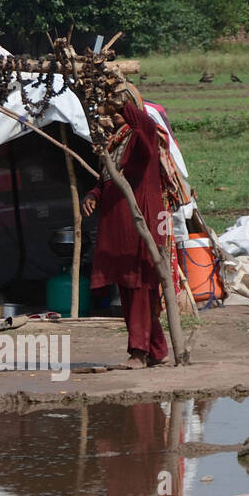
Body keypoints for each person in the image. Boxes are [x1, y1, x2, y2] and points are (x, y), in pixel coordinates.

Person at [81, 87, 168, 369]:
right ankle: (155, 348)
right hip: (117, 227)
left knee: (141, 285)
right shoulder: (113, 142)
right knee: (128, 287)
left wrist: (123, 101)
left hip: (139, 222)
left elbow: (144, 123)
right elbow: (106, 179)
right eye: (113, 112)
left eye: (120, 111)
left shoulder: (144, 138)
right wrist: (93, 196)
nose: (116, 116)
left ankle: (138, 352)